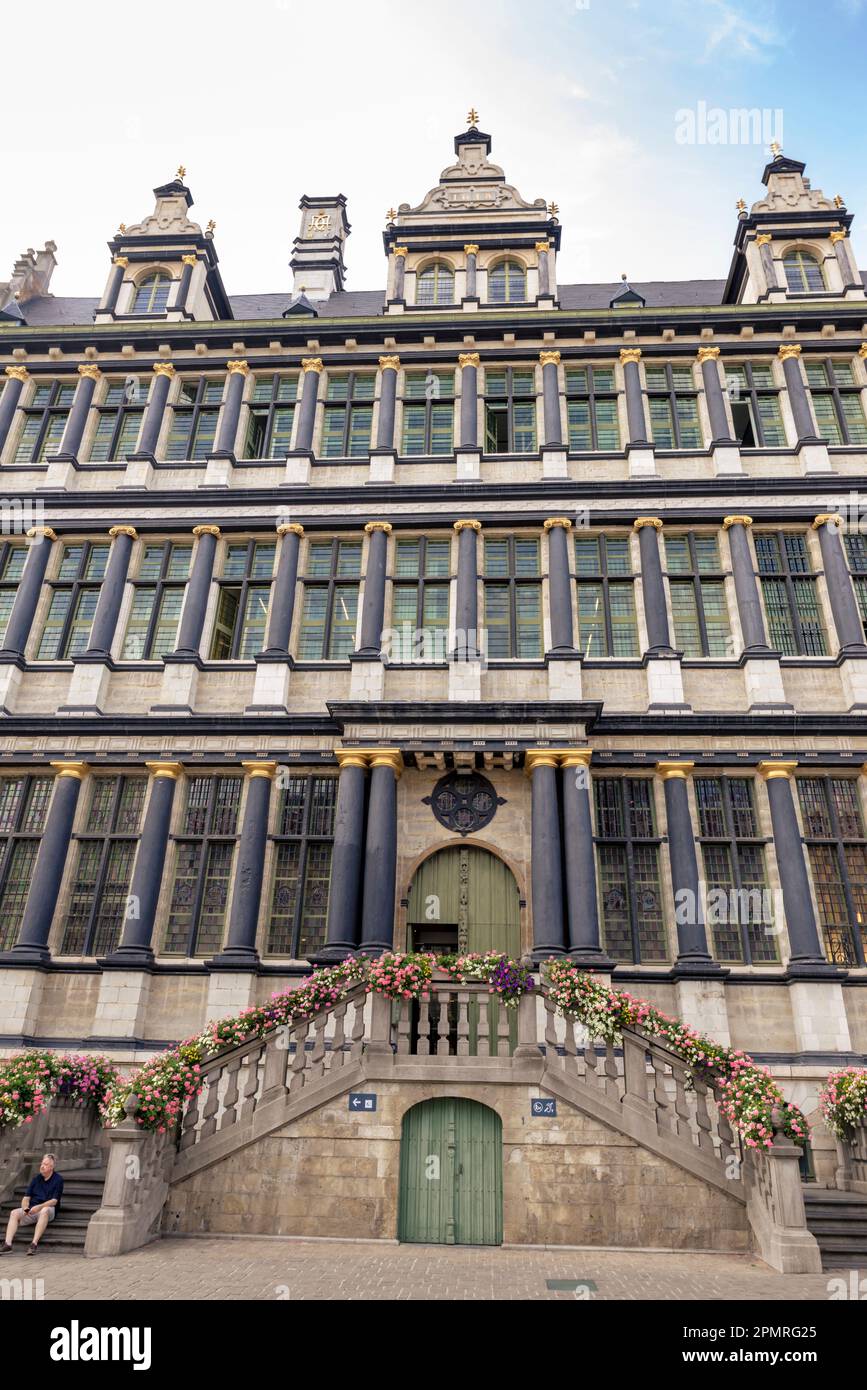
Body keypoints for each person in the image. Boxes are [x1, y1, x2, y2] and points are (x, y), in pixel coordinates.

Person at [1, 1153, 63, 1255]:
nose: (42, 1166)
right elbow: (26, 1198)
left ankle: (33, 1244)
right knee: (14, 1213)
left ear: (52, 1167)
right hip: (32, 1210)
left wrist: (39, 1207)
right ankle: (8, 1244)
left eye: (46, 1164)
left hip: (48, 1210)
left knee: (45, 1210)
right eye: (42, 1164)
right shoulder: (36, 1179)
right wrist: (25, 1208)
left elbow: (54, 1201)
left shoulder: (58, 1180)